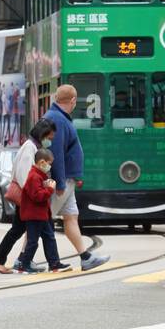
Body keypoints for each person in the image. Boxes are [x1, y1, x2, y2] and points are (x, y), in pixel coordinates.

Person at [43, 84, 106, 270]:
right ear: (72, 101)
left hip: (68, 179)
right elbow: (57, 154)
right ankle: (23, 258)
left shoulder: (58, 117)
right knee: (41, 220)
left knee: (71, 217)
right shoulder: (58, 120)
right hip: (63, 181)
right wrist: (60, 182)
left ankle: (85, 257)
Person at [0, 119, 62, 273]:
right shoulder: (29, 148)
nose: (49, 141)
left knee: (23, 230)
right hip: (28, 200)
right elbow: (25, 177)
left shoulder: (32, 147)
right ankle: (18, 262)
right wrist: (44, 188)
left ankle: (25, 261)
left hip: (29, 199)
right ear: (42, 135)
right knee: (26, 231)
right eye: (49, 138)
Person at [14, 149, 71, 274]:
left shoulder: (38, 176)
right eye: (49, 163)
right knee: (33, 241)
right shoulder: (34, 176)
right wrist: (50, 189)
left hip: (41, 215)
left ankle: (54, 264)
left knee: (49, 237)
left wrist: (45, 185)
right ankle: (24, 265)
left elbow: (38, 191)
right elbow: (38, 196)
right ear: (41, 162)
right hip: (34, 216)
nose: (50, 167)